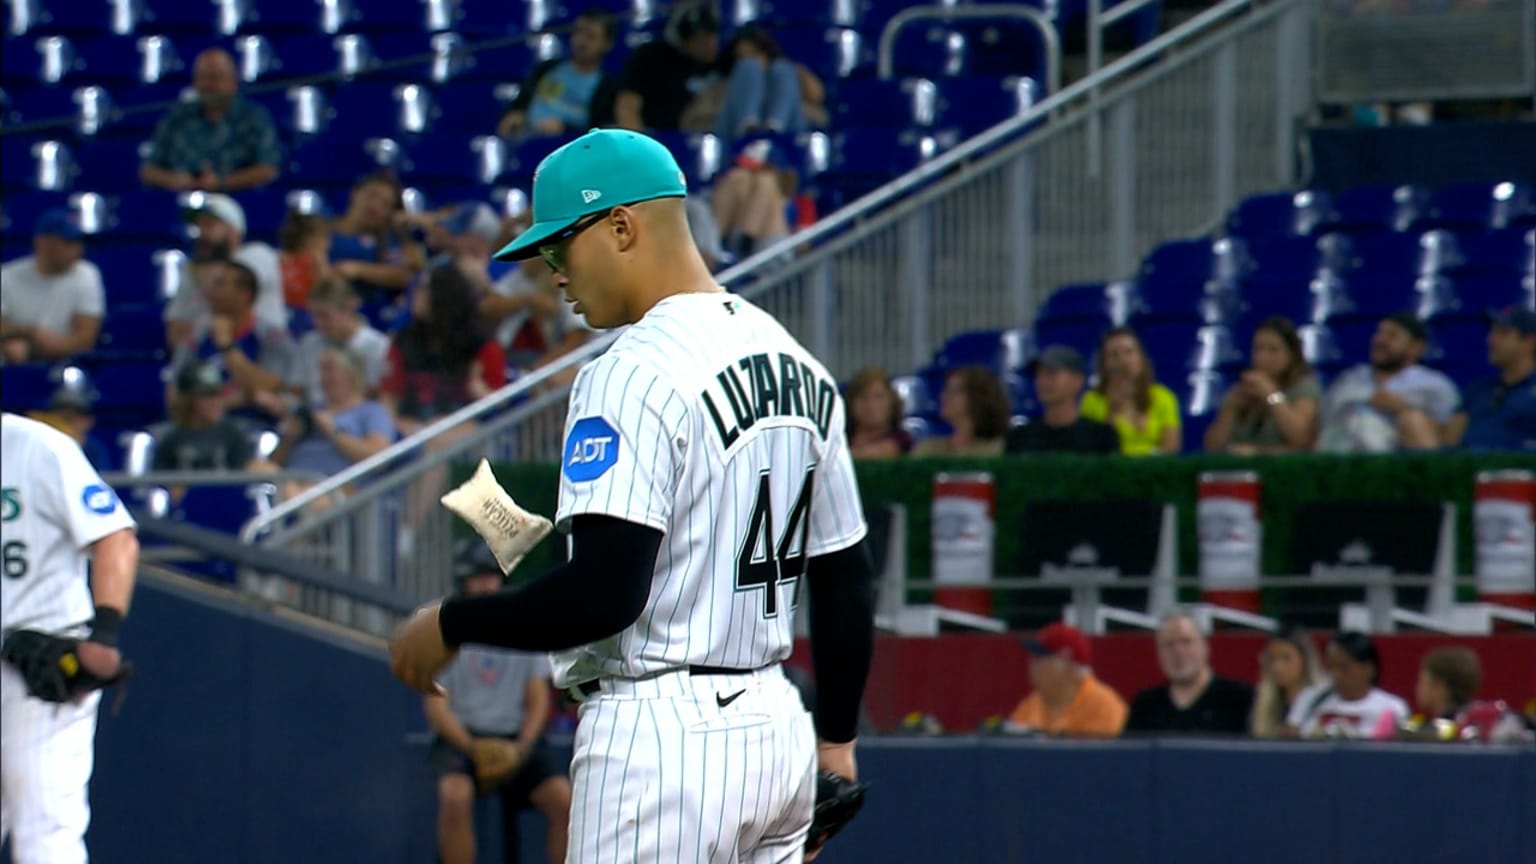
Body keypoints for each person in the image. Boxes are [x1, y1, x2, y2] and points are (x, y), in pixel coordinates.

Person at [389, 128, 876, 862]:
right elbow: (844, 579)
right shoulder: (796, 361)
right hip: (778, 727)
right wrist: (836, 740)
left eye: (559, 248)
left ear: (621, 226)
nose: (551, 272)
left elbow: (605, 595)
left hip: (661, 740)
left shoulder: (630, 369)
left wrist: (454, 621)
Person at [0, 412, 139, 863]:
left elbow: (115, 537)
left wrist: (103, 634)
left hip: (38, 670)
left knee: (45, 835)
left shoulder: (37, 447)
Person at [426, 549, 572, 864]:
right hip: (462, 739)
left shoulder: (523, 625)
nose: (486, 586)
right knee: (455, 795)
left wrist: (521, 748)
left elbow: (538, 700)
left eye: (491, 577)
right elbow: (436, 707)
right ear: (463, 583)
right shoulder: (445, 629)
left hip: (516, 738)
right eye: (477, 578)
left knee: (564, 800)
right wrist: (472, 747)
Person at [138, 48, 282, 192]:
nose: (208, 85)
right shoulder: (178, 116)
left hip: (238, 203)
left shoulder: (253, 117)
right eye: (202, 78)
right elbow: (148, 171)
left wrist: (223, 183)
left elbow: (268, 169)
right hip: (181, 202)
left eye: (215, 78)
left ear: (233, 81)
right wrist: (172, 180)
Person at [1316, 311, 1460, 452]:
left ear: (1416, 348)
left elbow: (1448, 438)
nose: (1380, 340)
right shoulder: (1350, 379)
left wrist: (1402, 408)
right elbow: (1324, 422)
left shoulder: (1435, 385)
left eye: (1392, 336)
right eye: (1379, 333)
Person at [164, 194, 286, 350]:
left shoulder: (258, 254)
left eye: (209, 225)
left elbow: (225, 291)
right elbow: (176, 336)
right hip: (212, 361)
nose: (201, 234)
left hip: (264, 354)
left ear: (233, 231)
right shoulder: (192, 270)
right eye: (199, 226)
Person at [1203, 316, 1321, 454]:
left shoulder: (1304, 389)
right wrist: (1230, 409)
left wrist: (1271, 396)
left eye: (1273, 350)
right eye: (1258, 349)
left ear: (1292, 354)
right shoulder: (1244, 389)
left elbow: (1301, 440)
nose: (1263, 357)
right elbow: (1212, 447)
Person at [0, 210, 105, 364]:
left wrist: (33, 349)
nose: (78, 250)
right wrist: (30, 331)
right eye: (68, 243)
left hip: (64, 365)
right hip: (11, 366)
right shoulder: (6, 276)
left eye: (79, 243)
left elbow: (85, 340)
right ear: (42, 242)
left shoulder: (87, 274)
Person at [1124, 613, 1254, 736]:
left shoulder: (1240, 699)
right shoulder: (1145, 705)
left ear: (1205, 647)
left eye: (1186, 641)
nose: (1178, 651)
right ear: (1158, 653)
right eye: (1168, 644)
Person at [497, 8, 619, 139]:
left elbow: (601, 131)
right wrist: (515, 114)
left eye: (590, 37)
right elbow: (520, 103)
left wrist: (566, 128)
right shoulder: (547, 68)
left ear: (607, 44)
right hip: (525, 138)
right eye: (578, 33)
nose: (581, 42)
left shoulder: (608, 87)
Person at [614, 1, 721, 132]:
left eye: (710, 36)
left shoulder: (724, 63)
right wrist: (640, 146)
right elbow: (627, 106)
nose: (708, 43)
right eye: (699, 39)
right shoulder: (651, 57)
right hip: (655, 139)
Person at [1005, 623, 1127, 738]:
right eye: (1033, 657)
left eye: (1042, 657)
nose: (1033, 665)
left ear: (1070, 664)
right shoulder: (1030, 705)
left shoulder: (1104, 707)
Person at [1287, 631, 1409, 739]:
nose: (1336, 675)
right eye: (1331, 667)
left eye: (1344, 668)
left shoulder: (1393, 707)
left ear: (1368, 668)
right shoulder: (1310, 699)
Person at [1080, 327, 1182, 455]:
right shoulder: (1091, 401)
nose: (1122, 361)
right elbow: (1092, 451)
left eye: (1129, 352)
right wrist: (1113, 409)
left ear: (1141, 359)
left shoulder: (1164, 397)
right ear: (1104, 364)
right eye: (1114, 354)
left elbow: (1171, 449)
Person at [1446, 306, 1536, 451]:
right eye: (1491, 332)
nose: (1490, 340)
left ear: (1529, 341)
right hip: (1469, 468)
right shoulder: (1478, 390)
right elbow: (1450, 441)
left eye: (1502, 333)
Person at [1005, 345, 1120, 454]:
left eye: (1051, 374)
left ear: (1077, 381)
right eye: (1039, 375)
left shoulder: (1101, 437)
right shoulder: (1020, 438)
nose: (1042, 382)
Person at [910, 366, 1009, 457]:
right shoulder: (928, 450)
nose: (942, 397)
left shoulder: (1001, 450)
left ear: (978, 396)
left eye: (952, 391)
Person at [1249, 626, 1325, 739]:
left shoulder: (1322, 702)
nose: (1277, 667)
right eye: (1272, 658)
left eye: (1286, 658)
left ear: (1305, 659)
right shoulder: (1262, 705)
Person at [845, 367, 912, 459]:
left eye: (879, 397)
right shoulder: (840, 438)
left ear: (892, 402)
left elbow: (881, 452)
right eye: (864, 398)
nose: (871, 406)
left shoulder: (900, 439)